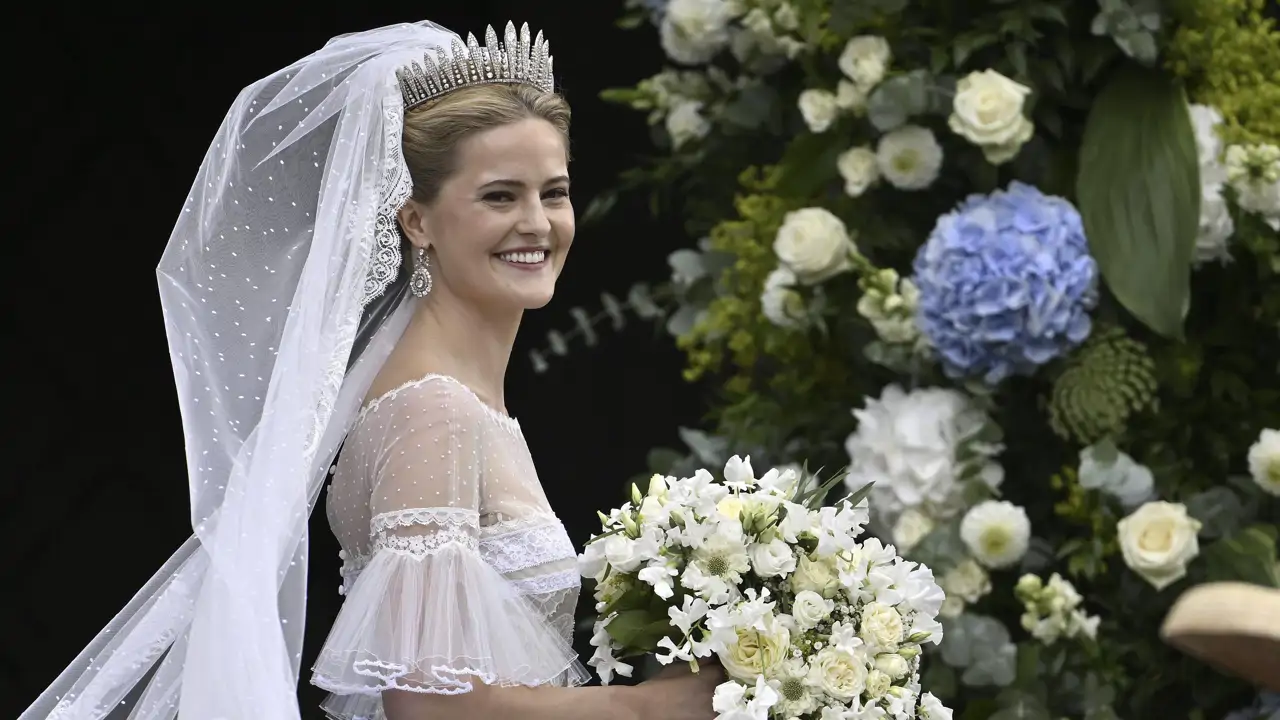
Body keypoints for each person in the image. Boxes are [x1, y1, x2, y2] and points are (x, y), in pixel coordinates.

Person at [20, 20, 721, 720]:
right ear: (417, 222)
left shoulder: (462, 403)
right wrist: (651, 708)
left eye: (554, 192)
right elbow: (429, 707)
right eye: (500, 196)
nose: (537, 223)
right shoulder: (431, 413)